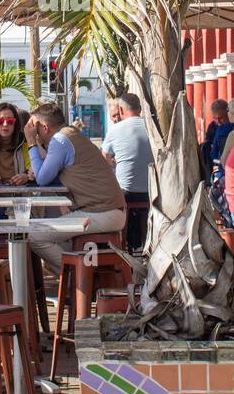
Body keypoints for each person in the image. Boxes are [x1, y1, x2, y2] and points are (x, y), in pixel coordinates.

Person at [23, 103, 126, 270]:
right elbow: (46, 173)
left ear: (44, 127)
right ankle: (78, 280)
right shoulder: (72, 135)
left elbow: (42, 179)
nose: (31, 131)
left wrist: (31, 142)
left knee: (34, 235)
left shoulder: (60, 140)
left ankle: (78, 273)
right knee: (55, 244)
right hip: (110, 211)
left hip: (101, 212)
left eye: (33, 126)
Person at [101, 94, 154, 250]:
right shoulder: (152, 128)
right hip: (152, 193)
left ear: (122, 110)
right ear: (140, 109)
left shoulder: (115, 130)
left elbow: (105, 162)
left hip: (126, 194)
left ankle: (120, 246)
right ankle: (145, 245)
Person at [200, 98, 228, 175]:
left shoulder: (231, 126)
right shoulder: (212, 126)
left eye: (221, 118)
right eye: (215, 118)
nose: (218, 121)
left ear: (227, 114)